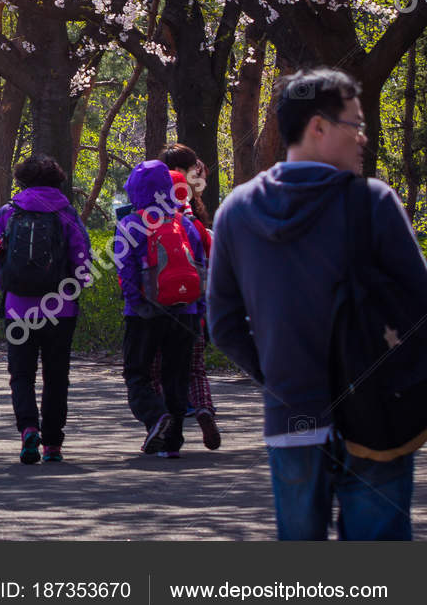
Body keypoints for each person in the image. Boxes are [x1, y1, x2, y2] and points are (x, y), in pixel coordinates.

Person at [210, 69, 427, 540]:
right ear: (318, 127)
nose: (363, 138)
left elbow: (223, 326)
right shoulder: (372, 202)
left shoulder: (236, 211)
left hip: (290, 419)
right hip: (378, 415)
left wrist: (277, 377)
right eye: (355, 124)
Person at [0, 154, 93, 464]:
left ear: (22, 181)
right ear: (58, 181)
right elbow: (82, 259)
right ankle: (54, 445)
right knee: (56, 376)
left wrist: (10, 286)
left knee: (21, 374)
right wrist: (72, 289)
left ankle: (28, 428)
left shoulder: (9, 212)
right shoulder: (66, 213)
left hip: (18, 308)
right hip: (60, 309)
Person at [115, 158, 208, 457]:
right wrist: (200, 308)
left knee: (137, 374)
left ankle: (156, 417)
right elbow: (200, 267)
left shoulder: (130, 223)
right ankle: (173, 443)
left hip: (145, 314)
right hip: (185, 312)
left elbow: (125, 269)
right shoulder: (185, 223)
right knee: (176, 376)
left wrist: (135, 304)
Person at [154, 143, 221, 449]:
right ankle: (204, 407)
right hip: (195, 299)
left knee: (158, 366)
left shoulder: (155, 208)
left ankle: (166, 422)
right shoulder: (194, 214)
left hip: (160, 302)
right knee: (195, 368)